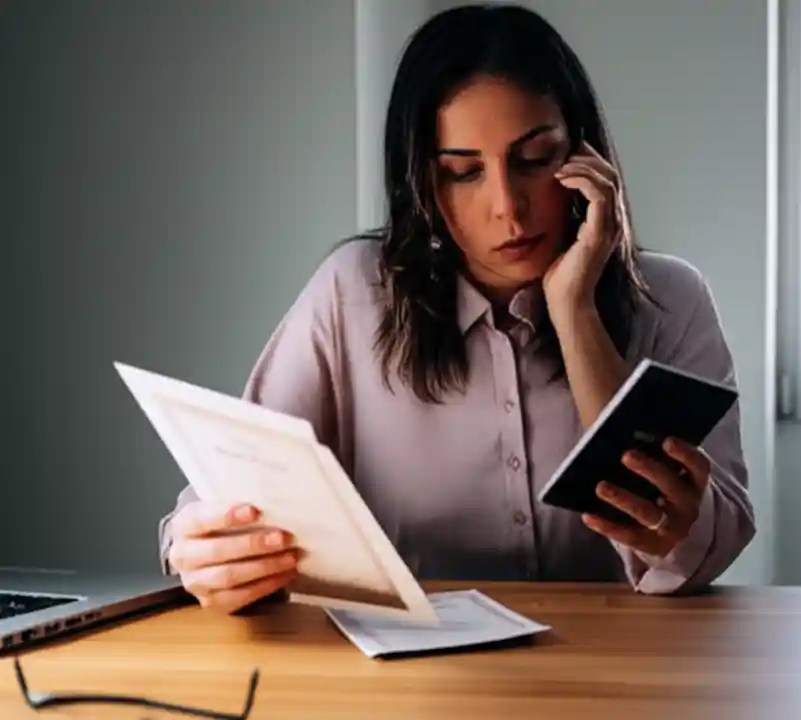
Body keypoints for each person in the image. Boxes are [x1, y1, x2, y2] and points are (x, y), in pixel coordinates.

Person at [156, 3, 755, 614]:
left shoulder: (672, 299)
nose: (509, 208)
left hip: (616, 675)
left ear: (584, 157)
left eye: (534, 159)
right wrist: (205, 545)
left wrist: (574, 311)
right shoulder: (354, 293)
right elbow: (227, 494)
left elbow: (702, 554)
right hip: (412, 681)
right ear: (420, 183)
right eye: (464, 172)